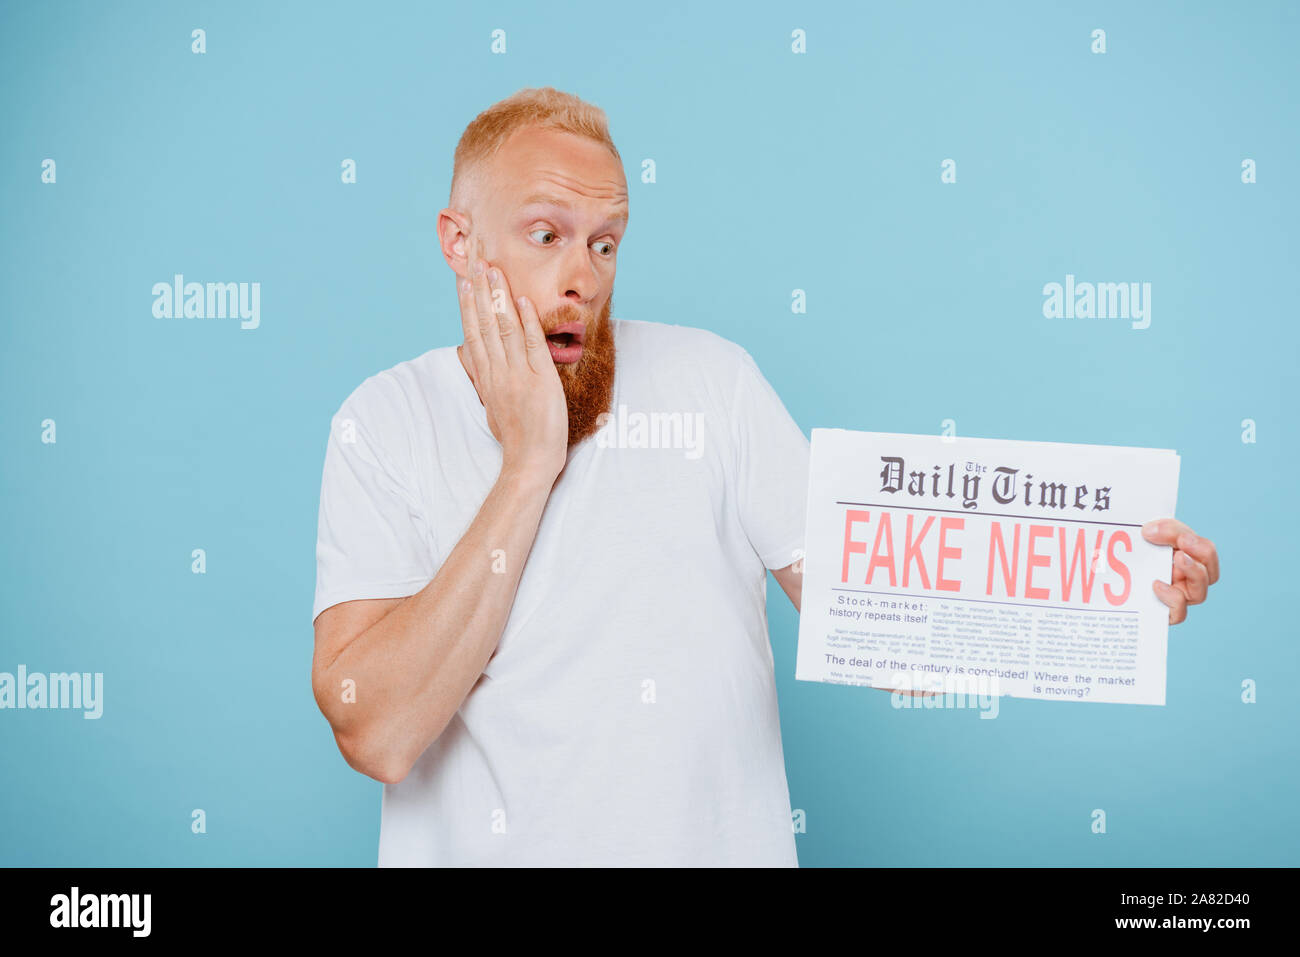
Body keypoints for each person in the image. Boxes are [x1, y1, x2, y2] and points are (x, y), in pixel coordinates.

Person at [310, 87, 1221, 867]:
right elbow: (377, 730)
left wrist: (1109, 596)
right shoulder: (382, 426)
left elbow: (890, 625)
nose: (580, 275)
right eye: (546, 233)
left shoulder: (713, 384)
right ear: (459, 241)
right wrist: (529, 465)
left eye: (605, 242)